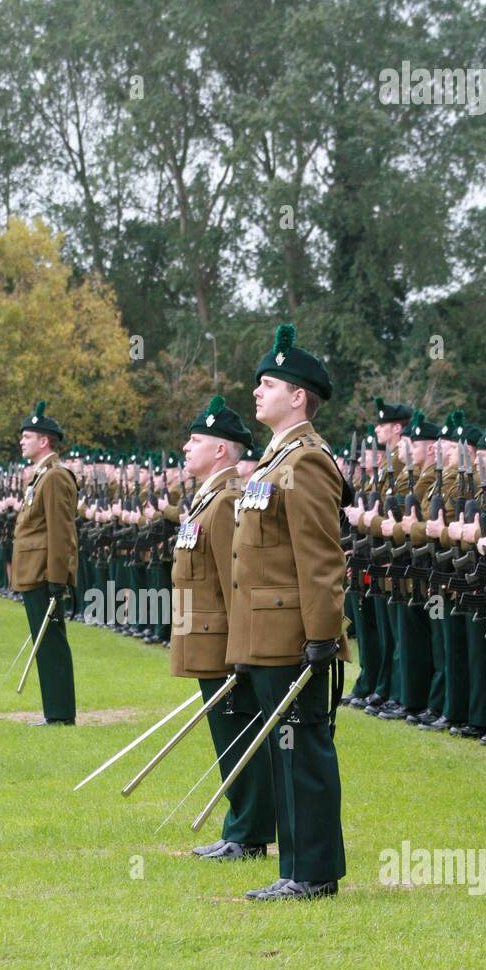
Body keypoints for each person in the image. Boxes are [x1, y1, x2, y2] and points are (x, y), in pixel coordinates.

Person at [226, 323, 349, 902]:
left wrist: (323, 637)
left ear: (298, 396)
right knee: (284, 748)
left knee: (303, 747)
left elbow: (320, 558)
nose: (257, 391)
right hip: (266, 629)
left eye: (268, 383)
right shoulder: (275, 461)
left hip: (295, 632)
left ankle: (313, 872)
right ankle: (296, 867)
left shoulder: (306, 462)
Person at [170, 395, 275, 861]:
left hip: (223, 643)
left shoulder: (226, 501)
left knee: (238, 738)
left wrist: (241, 652)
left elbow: (238, 583)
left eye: (195, 441)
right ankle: (241, 828)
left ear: (220, 450)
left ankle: (248, 833)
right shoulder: (208, 499)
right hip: (206, 638)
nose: (185, 448)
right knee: (227, 738)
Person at [11, 401, 79, 725]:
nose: (22, 441)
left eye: (27, 436)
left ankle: (61, 714)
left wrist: (58, 577)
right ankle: (55, 711)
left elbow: (60, 531)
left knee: (51, 644)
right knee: (45, 644)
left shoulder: (54, 477)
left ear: (44, 441)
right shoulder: (41, 476)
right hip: (33, 569)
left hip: (43, 572)